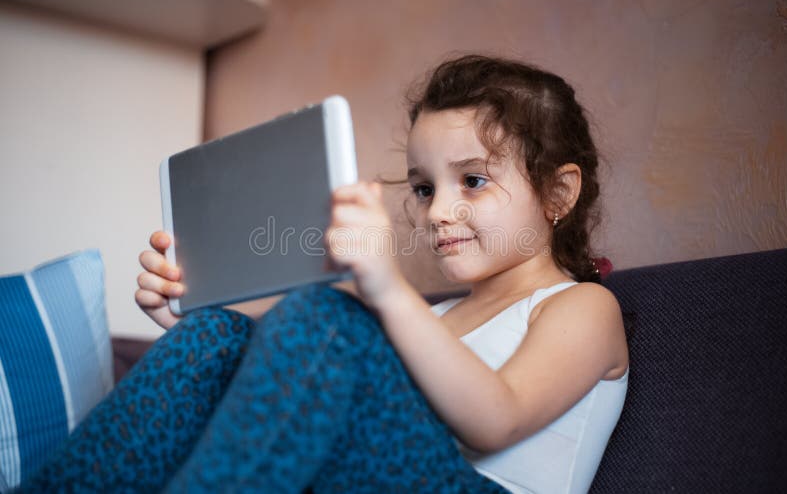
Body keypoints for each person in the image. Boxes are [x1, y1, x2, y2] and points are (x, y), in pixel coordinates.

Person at [18, 54, 629, 493]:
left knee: (332, 316)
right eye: (421, 187)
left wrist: (386, 290)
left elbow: (498, 420)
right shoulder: (433, 315)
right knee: (220, 334)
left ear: (558, 192)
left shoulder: (579, 307)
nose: (437, 211)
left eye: (472, 180)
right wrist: (189, 306)